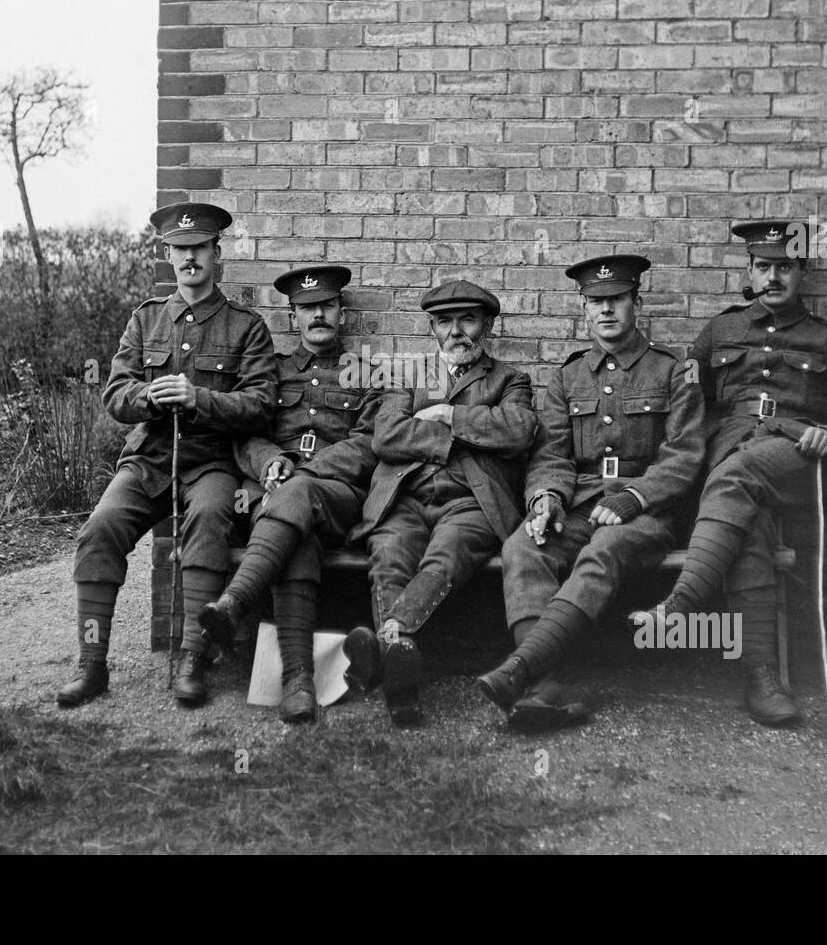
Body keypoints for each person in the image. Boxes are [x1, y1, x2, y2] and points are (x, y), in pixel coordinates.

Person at [637, 220, 827, 726]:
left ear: (802, 273)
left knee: (737, 475)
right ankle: (763, 677)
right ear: (749, 270)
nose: (773, 277)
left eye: (785, 267)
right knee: (750, 523)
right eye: (763, 266)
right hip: (730, 464)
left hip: (794, 459)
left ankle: (683, 602)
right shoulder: (719, 332)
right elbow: (685, 410)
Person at [57, 202, 277, 709]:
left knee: (208, 521)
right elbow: (116, 395)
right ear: (168, 255)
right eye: (180, 250)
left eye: (199, 248)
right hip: (149, 460)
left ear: (216, 254)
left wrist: (199, 398)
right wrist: (148, 398)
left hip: (212, 463)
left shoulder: (246, 328)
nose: (190, 259)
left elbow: (261, 404)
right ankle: (91, 663)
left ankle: (192, 658)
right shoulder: (146, 320)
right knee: (99, 530)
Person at [476, 256, 705, 730]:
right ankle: (549, 684)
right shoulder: (569, 376)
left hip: (649, 513)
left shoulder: (673, 371)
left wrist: (635, 497)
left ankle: (521, 668)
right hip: (579, 503)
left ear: (636, 303)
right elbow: (552, 455)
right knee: (524, 545)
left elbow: (684, 456)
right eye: (595, 302)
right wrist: (547, 501)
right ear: (584, 309)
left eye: (615, 299)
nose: (605, 310)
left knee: (606, 548)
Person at [343, 280, 538, 726]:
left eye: (467, 320)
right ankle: (401, 670)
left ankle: (388, 646)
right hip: (405, 495)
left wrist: (448, 415)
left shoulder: (510, 380)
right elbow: (387, 436)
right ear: (432, 328)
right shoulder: (407, 377)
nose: (457, 332)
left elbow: (517, 431)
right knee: (388, 556)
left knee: (445, 557)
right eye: (445, 322)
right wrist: (461, 441)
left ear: (487, 325)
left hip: (470, 501)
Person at [197, 264, 383, 723]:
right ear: (292, 317)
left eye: (326, 306)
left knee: (298, 496)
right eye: (306, 308)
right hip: (278, 494)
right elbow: (246, 434)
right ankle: (298, 682)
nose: (317, 315)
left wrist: (302, 471)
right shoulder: (273, 373)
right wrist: (270, 463)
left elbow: (369, 445)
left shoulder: (367, 374)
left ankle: (234, 602)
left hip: (339, 499)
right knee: (296, 537)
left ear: (341, 312)